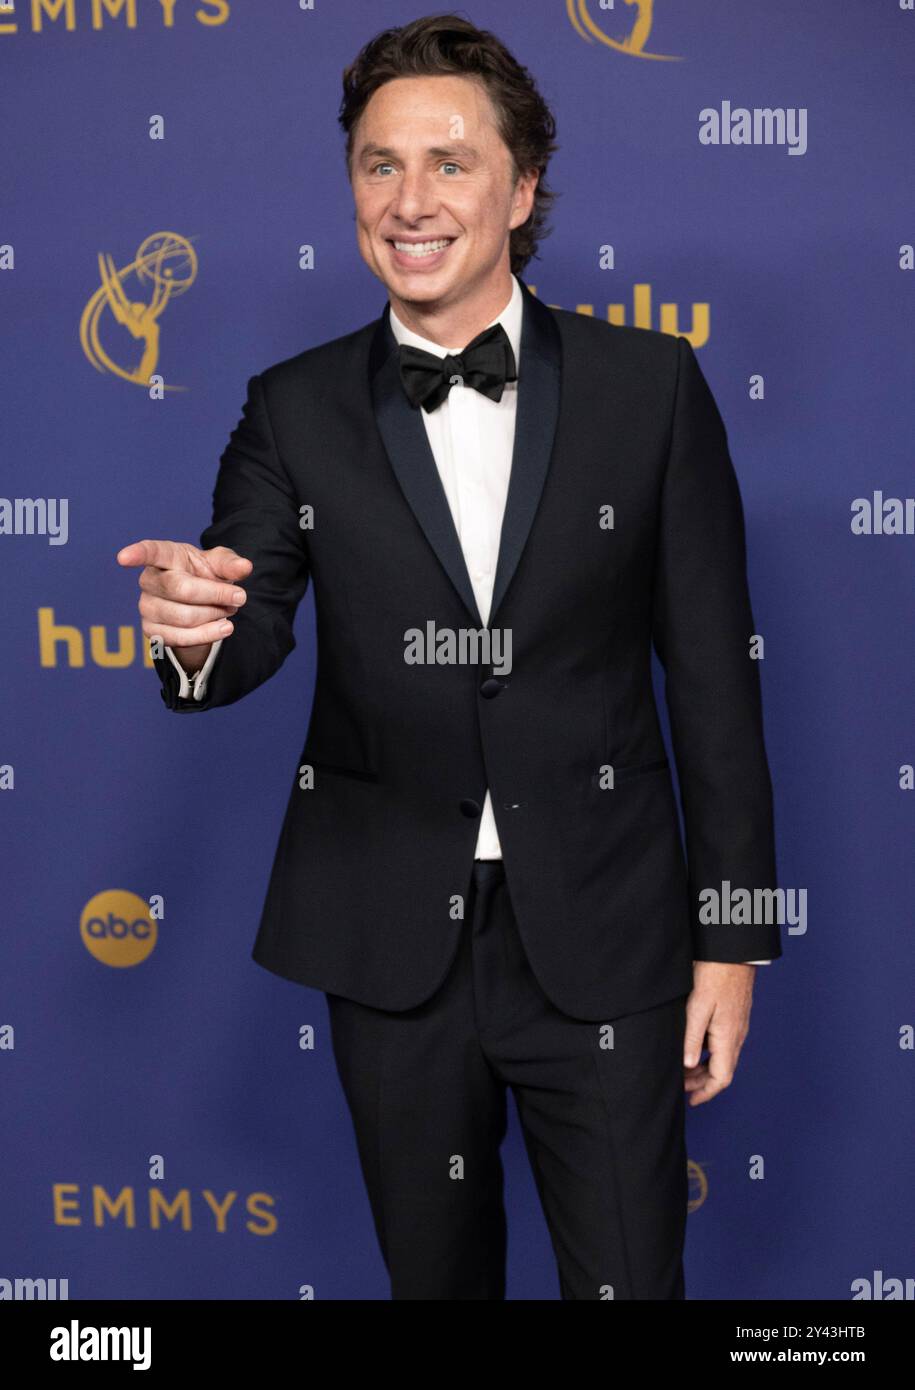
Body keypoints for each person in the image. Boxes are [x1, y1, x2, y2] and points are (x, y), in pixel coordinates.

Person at [118, 14, 781, 1300]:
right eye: (379, 165)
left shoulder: (650, 389)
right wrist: (192, 633)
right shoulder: (291, 406)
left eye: (451, 163)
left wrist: (732, 943)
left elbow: (717, 683)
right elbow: (244, 624)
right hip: (388, 943)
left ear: (522, 187)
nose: (410, 201)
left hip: (607, 933)